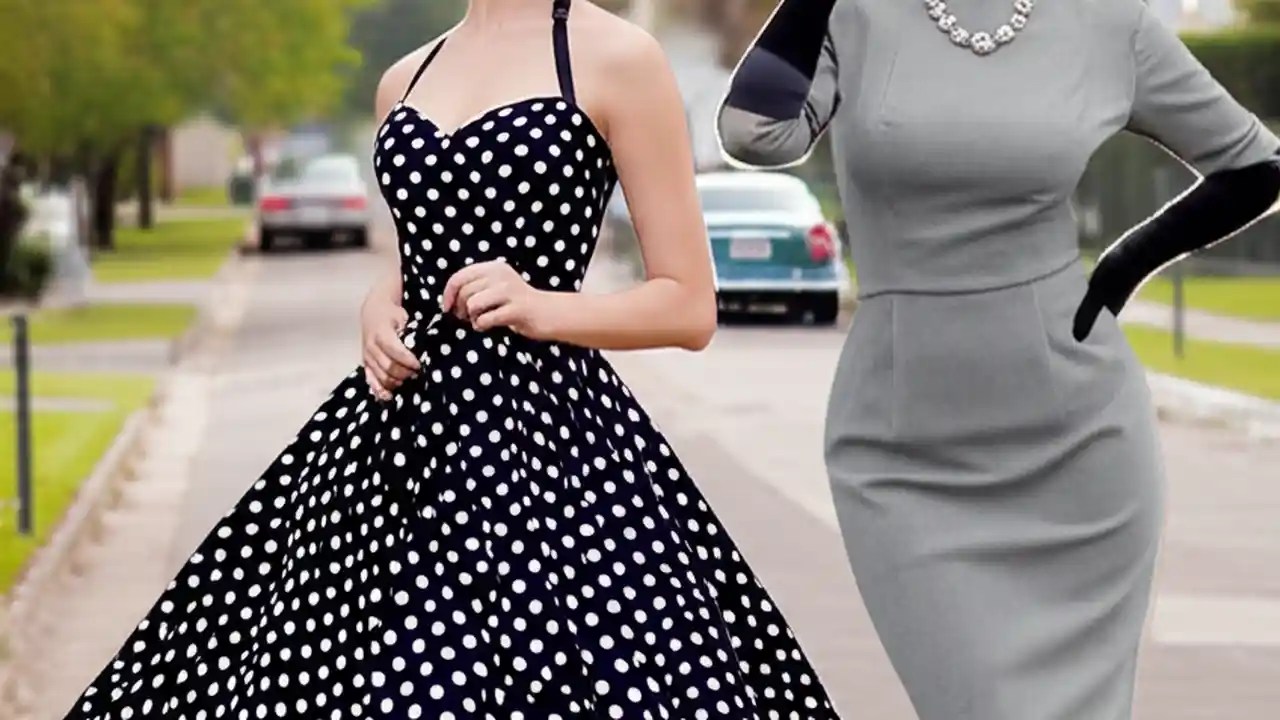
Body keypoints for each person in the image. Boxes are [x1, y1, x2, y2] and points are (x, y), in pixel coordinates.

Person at [62, 1, 843, 717]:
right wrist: (380, 304)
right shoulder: (405, 76)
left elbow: (688, 304)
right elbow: (418, 260)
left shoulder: (617, 56)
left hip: (547, 454)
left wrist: (544, 307)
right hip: (392, 452)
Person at [717, 0, 1280, 718]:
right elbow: (752, 132)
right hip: (901, 452)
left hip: (1079, 444)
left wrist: (1122, 265)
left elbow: (1255, 166)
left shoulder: (1108, 22)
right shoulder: (856, 12)